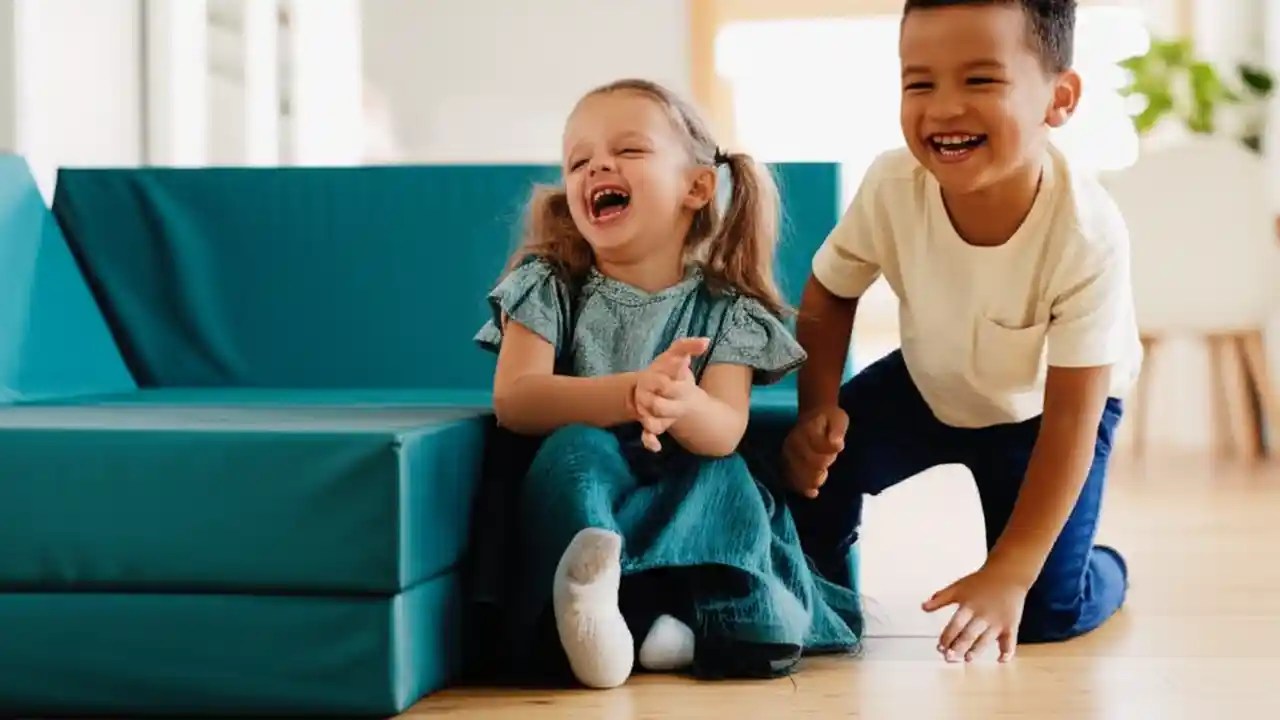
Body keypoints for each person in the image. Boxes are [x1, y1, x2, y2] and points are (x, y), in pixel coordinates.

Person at [783, 0, 1142, 665]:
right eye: (920, 83)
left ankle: (1106, 566)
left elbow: (1071, 427)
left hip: (1041, 414)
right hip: (927, 382)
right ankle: (820, 594)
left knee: (1041, 611)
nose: (944, 107)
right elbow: (831, 288)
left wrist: (1010, 571)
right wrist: (817, 408)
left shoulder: (1086, 234)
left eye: (980, 81)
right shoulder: (893, 183)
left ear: (1059, 99)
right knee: (807, 477)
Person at [474, 78, 861, 689]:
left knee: (725, 474)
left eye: (628, 150)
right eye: (579, 160)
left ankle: (680, 624)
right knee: (577, 452)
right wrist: (629, 392)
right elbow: (516, 399)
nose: (597, 164)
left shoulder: (727, 308)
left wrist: (681, 403)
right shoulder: (546, 283)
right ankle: (596, 605)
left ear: (696, 186)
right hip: (592, 495)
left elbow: (726, 429)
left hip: (680, 490)